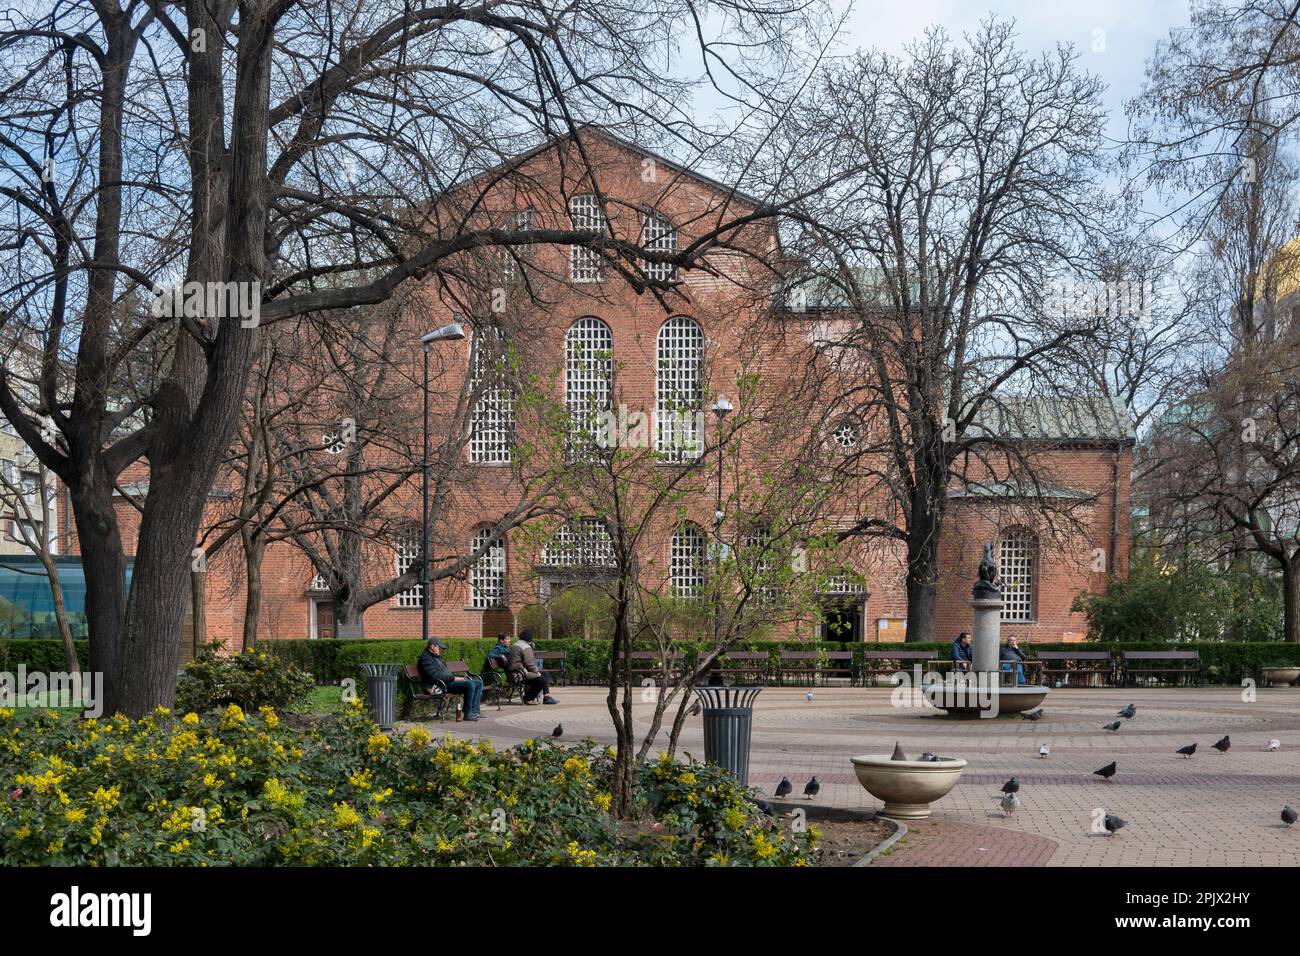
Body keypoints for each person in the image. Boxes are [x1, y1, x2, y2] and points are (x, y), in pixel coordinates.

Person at [417, 638, 485, 720]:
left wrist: (458, 677)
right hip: (440, 685)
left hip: (447, 682)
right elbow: (435, 676)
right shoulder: (426, 659)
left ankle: (475, 711)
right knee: (470, 684)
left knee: (478, 683)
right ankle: (468, 714)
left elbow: (443, 673)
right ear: (432, 646)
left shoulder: (435, 657)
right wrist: (453, 678)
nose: (441, 650)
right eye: (440, 648)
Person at [509, 629, 557, 705]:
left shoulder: (515, 644)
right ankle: (528, 698)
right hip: (520, 674)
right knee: (542, 680)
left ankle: (546, 697)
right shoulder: (525, 647)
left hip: (516, 672)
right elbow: (530, 664)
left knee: (545, 674)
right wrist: (537, 673)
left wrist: (537, 673)